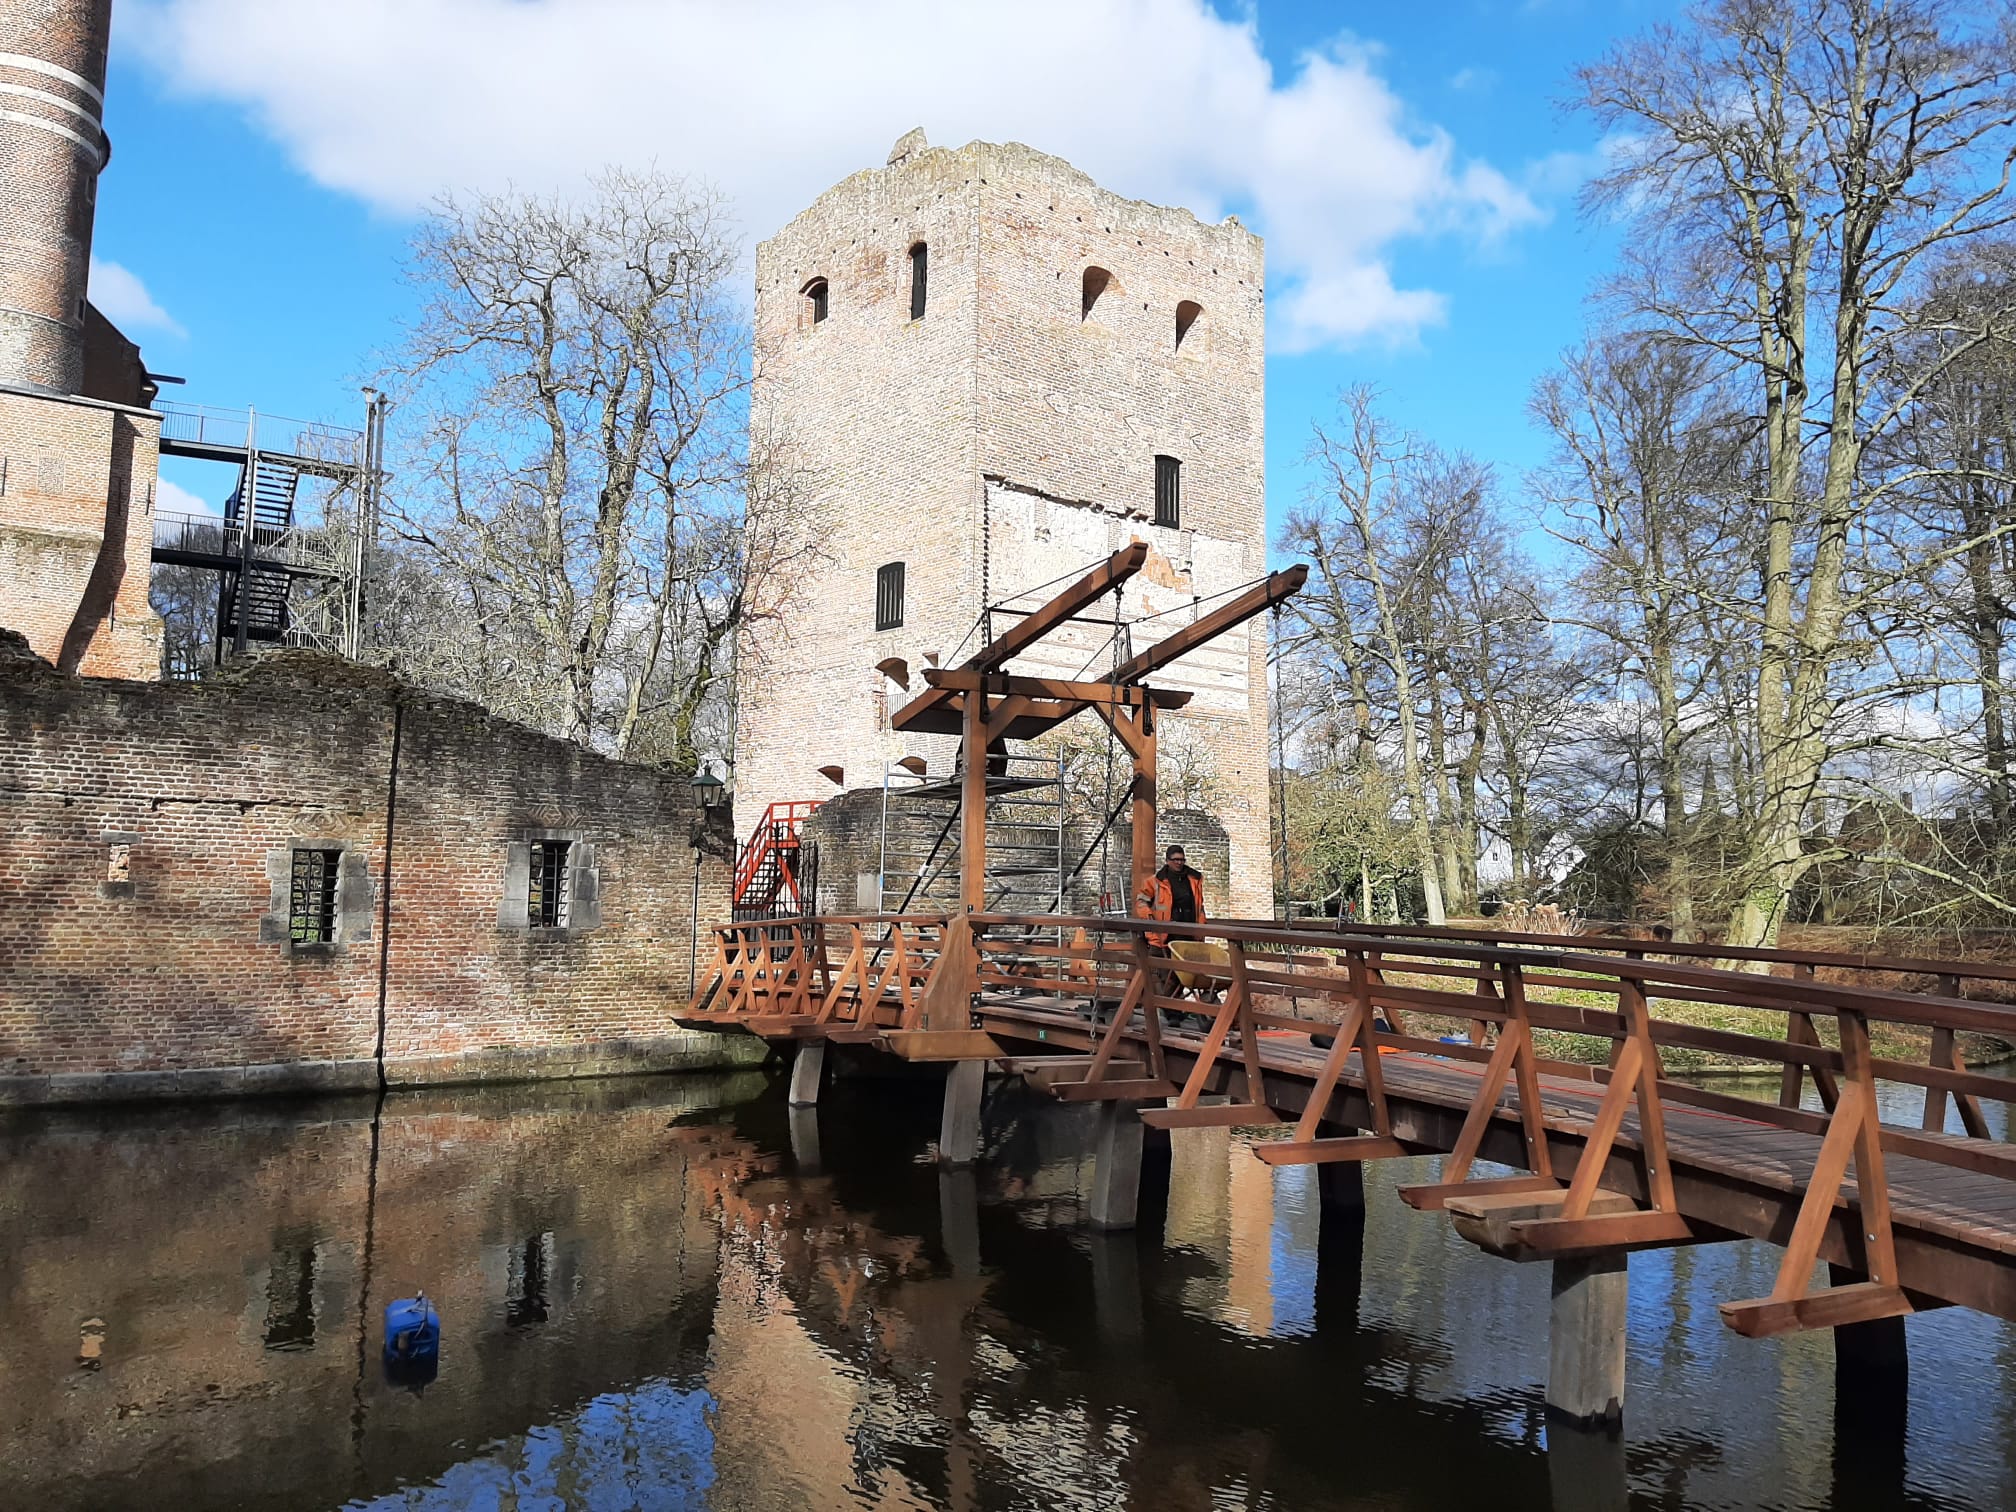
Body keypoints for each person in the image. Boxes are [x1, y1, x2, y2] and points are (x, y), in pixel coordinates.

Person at [1136, 845, 1214, 1024]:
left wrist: (1202, 926)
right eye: (1176, 860)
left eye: (1182, 859)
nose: (1179, 863)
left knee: (1187, 975)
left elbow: (1199, 906)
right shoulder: (1156, 881)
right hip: (1164, 935)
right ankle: (1171, 1012)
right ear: (1168, 861)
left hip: (1189, 934)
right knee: (1167, 976)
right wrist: (1148, 918)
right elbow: (1141, 901)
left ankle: (1177, 1010)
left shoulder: (1193, 879)